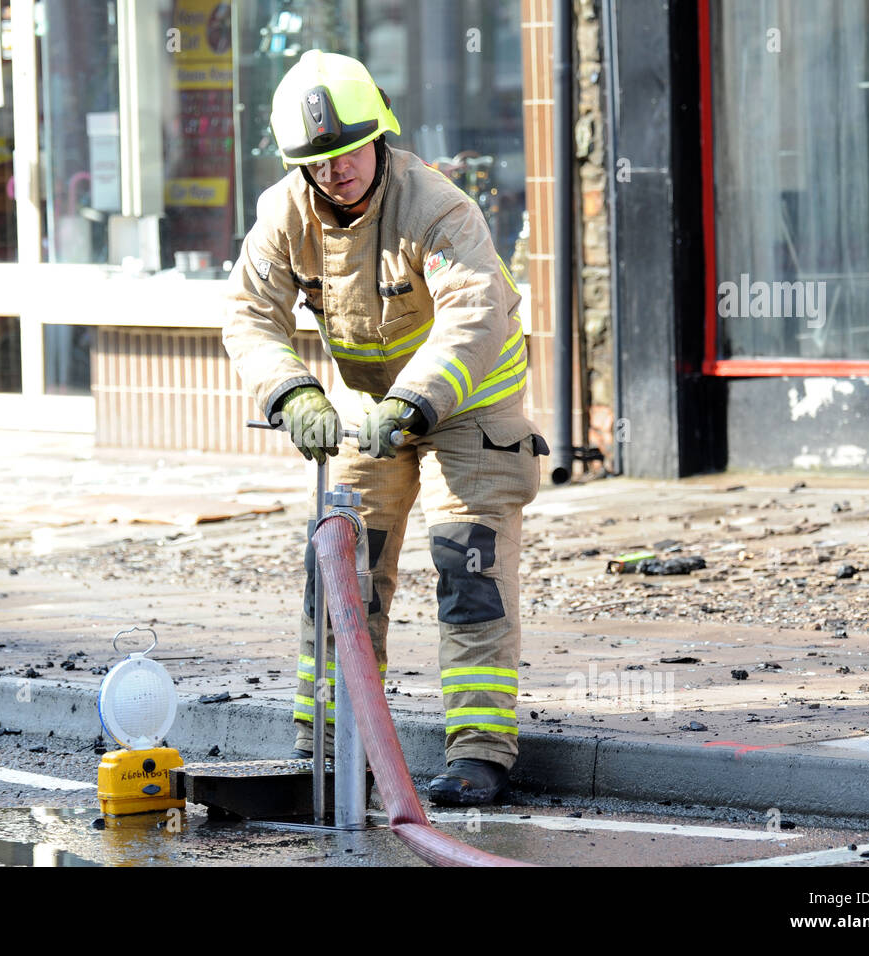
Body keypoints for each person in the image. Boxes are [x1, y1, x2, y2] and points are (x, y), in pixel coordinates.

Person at [222, 50, 547, 806]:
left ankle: (479, 753)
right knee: (340, 571)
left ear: (380, 135)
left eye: (345, 155)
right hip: (374, 410)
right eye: (317, 163)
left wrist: (413, 403)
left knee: (468, 572)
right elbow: (248, 314)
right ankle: (328, 745)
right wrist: (292, 392)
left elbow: (472, 317)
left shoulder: (437, 208)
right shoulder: (285, 215)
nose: (334, 173)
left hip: (469, 407)